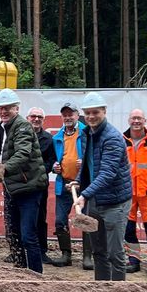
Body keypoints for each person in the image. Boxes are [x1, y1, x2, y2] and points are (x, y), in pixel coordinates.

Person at [73, 92, 132, 281]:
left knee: (115, 253)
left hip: (115, 202)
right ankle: (101, 290)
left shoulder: (112, 137)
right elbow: (90, 163)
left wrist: (84, 195)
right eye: (88, 113)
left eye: (95, 112)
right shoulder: (87, 133)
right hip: (95, 200)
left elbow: (108, 173)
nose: (91, 116)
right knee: (98, 251)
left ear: (104, 111)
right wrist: (79, 180)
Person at [0, 89, 49, 272]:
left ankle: (35, 275)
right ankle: (20, 272)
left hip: (29, 188)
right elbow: (7, 154)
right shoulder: (5, 127)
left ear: (16, 108)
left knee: (27, 236)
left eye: (8, 108)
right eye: (1, 108)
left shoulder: (22, 126)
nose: (4, 111)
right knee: (13, 235)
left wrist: (2, 169)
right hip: (13, 187)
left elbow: (23, 153)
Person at [124, 109, 147, 276]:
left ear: (145, 120)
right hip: (128, 194)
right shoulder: (122, 141)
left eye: (139, 118)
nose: (136, 121)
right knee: (129, 228)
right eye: (134, 118)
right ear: (129, 120)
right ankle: (133, 260)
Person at [51, 102, 84, 268]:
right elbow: (52, 159)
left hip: (84, 185)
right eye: (65, 115)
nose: (68, 117)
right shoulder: (57, 137)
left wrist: (84, 163)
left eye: (71, 114)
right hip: (64, 184)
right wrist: (54, 167)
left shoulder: (86, 133)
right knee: (60, 220)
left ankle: (88, 256)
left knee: (86, 219)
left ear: (77, 115)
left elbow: (95, 156)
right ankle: (66, 255)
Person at [26, 107, 60, 265]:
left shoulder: (48, 139)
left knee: (40, 218)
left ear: (43, 120)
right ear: (27, 118)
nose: (36, 119)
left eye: (39, 117)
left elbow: (51, 160)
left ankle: (41, 251)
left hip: (39, 185)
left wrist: (38, 172)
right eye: (33, 116)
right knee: (19, 218)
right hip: (20, 184)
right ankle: (18, 250)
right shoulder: (19, 136)